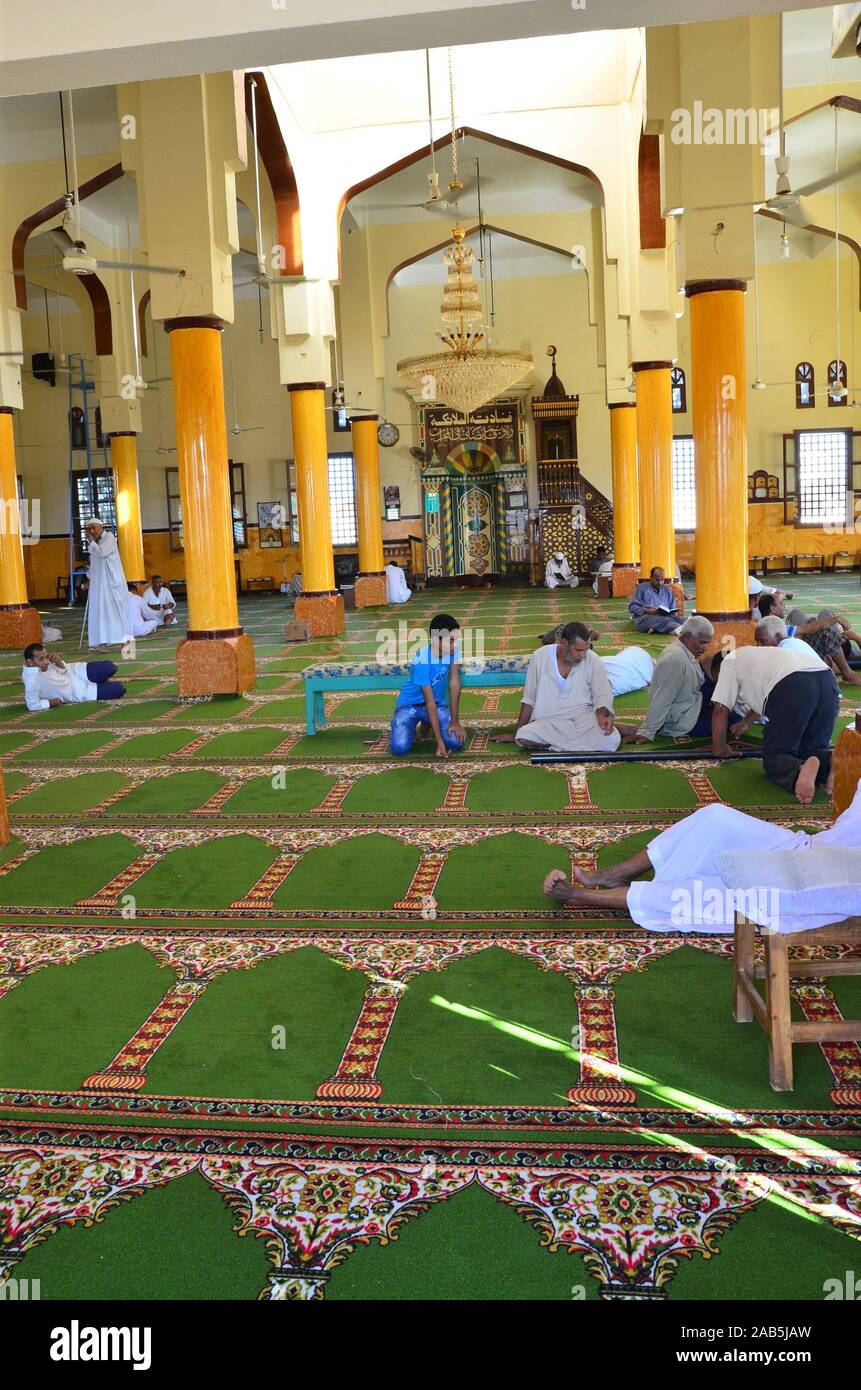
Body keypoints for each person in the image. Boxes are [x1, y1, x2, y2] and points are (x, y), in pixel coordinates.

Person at [542, 777, 861, 933]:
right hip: (812, 849)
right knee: (715, 818)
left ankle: (581, 896)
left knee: (707, 891)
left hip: (832, 884)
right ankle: (618, 874)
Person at [710, 643, 839, 805]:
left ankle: (801, 769)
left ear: (717, 671)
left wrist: (720, 748)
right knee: (810, 751)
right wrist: (745, 722)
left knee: (775, 756)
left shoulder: (728, 661)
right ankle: (832, 761)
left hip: (794, 685)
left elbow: (720, 710)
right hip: (828, 681)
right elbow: (766, 693)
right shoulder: (759, 655)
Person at [495, 621, 632, 753]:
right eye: (578, 650)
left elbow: (602, 695)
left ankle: (559, 744)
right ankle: (576, 744)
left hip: (582, 720)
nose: (583, 655)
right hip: (549, 721)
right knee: (524, 736)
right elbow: (529, 700)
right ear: (564, 643)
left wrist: (602, 715)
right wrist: (517, 732)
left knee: (611, 740)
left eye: (586, 649)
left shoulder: (592, 659)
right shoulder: (540, 657)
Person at [627, 615, 748, 743]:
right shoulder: (676, 659)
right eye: (702, 642)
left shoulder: (685, 652)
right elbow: (662, 698)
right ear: (687, 637)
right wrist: (647, 731)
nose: (706, 647)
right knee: (735, 720)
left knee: (727, 713)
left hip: (690, 709)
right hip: (683, 721)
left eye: (707, 642)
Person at [389, 613, 466, 758]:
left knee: (457, 743)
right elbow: (428, 701)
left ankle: (428, 723)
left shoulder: (452, 649)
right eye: (451, 640)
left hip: (436, 704)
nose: (455, 644)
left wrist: (455, 721)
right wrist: (439, 742)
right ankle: (403, 724)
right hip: (410, 705)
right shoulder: (421, 659)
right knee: (400, 748)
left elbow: (455, 682)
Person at [22, 643, 126, 711]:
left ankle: (101, 680)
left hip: (76, 672)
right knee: (119, 689)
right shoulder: (32, 680)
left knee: (110, 667)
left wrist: (58, 662)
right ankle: (101, 681)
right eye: (41, 659)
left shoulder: (43, 663)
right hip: (79, 692)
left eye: (46, 657)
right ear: (30, 662)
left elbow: (64, 669)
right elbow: (32, 705)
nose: (46, 662)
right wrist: (55, 702)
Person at [787, 607, 861, 687]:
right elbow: (805, 629)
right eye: (781, 603)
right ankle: (838, 667)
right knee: (797, 614)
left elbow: (805, 629)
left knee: (825, 622)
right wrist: (855, 636)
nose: (784, 606)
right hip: (816, 648)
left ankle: (846, 673)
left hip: (833, 647)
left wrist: (855, 637)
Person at [84, 519, 128, 649]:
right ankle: (102, 643)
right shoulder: (93, 543)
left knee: (116, 611)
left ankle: (124, 641)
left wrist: (91, 541)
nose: (92, 531)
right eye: (89, 529)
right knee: (100, 612)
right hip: (99, 585)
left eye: (94, 528)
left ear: (100, 527)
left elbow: (102, 553)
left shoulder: (109, 538)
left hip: (111, 584)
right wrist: (89, 578)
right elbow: (94, 562)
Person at [629, 566, 682, 634]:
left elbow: (673, 610)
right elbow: (632, 607)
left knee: (681, 620)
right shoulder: (642, 588)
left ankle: (656, 628)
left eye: (662, 580)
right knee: (664, 621)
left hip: (665, 617)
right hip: (645, 618)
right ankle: (680, 630)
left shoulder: (668, 591)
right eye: (657, 580)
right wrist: (647, 610)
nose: (660, 583)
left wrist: (671, 613)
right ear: (650, 578)